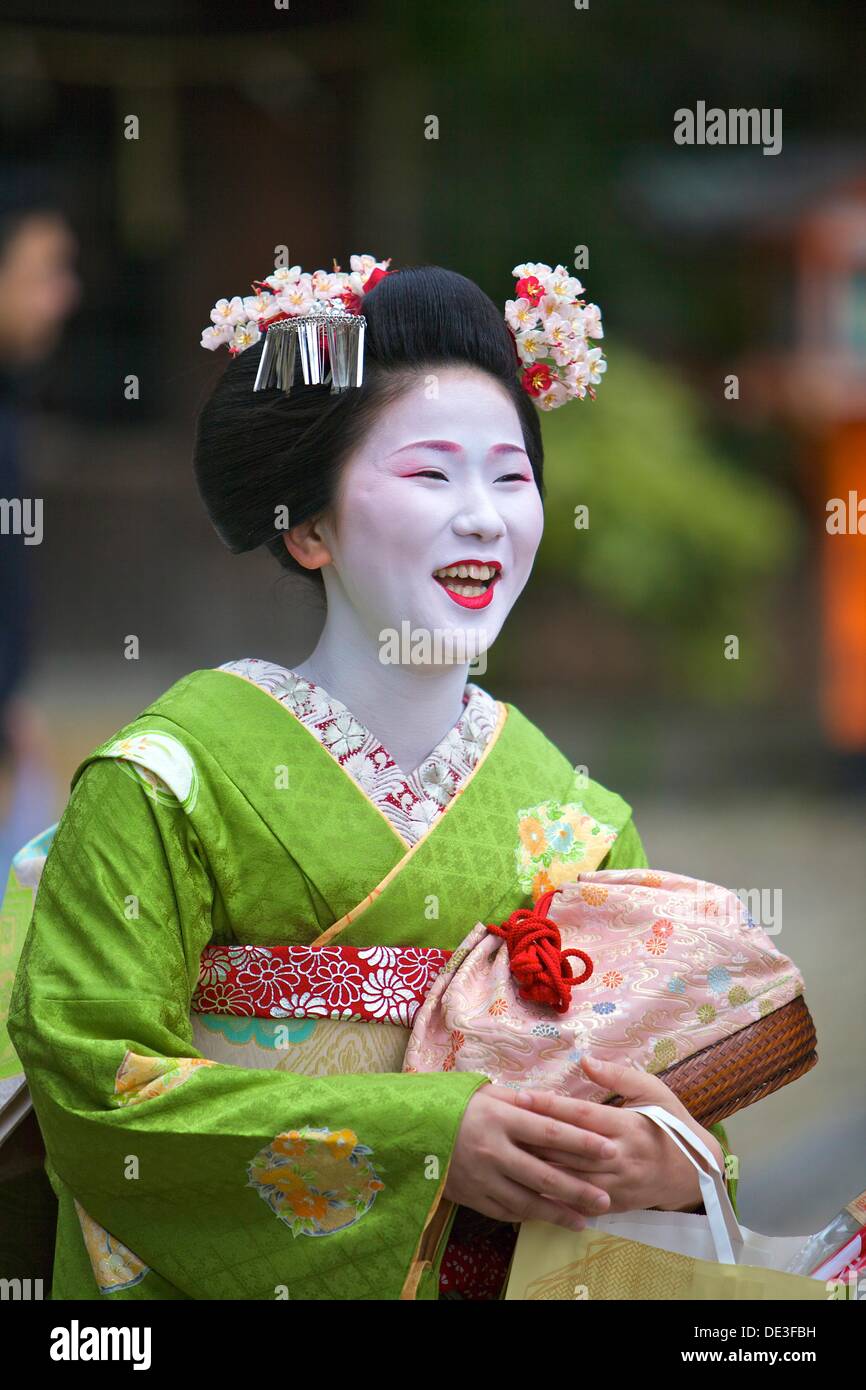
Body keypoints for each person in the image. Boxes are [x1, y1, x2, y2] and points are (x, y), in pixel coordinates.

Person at [5, 258, 735, 1301]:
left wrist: (673, 1162)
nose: (483, 517)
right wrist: (425, 1135)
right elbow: (93, 1080)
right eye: (432, 474)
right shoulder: (168, 775)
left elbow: (661, 1083)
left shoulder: (574, 816)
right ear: (308, 527)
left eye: (510, 477)